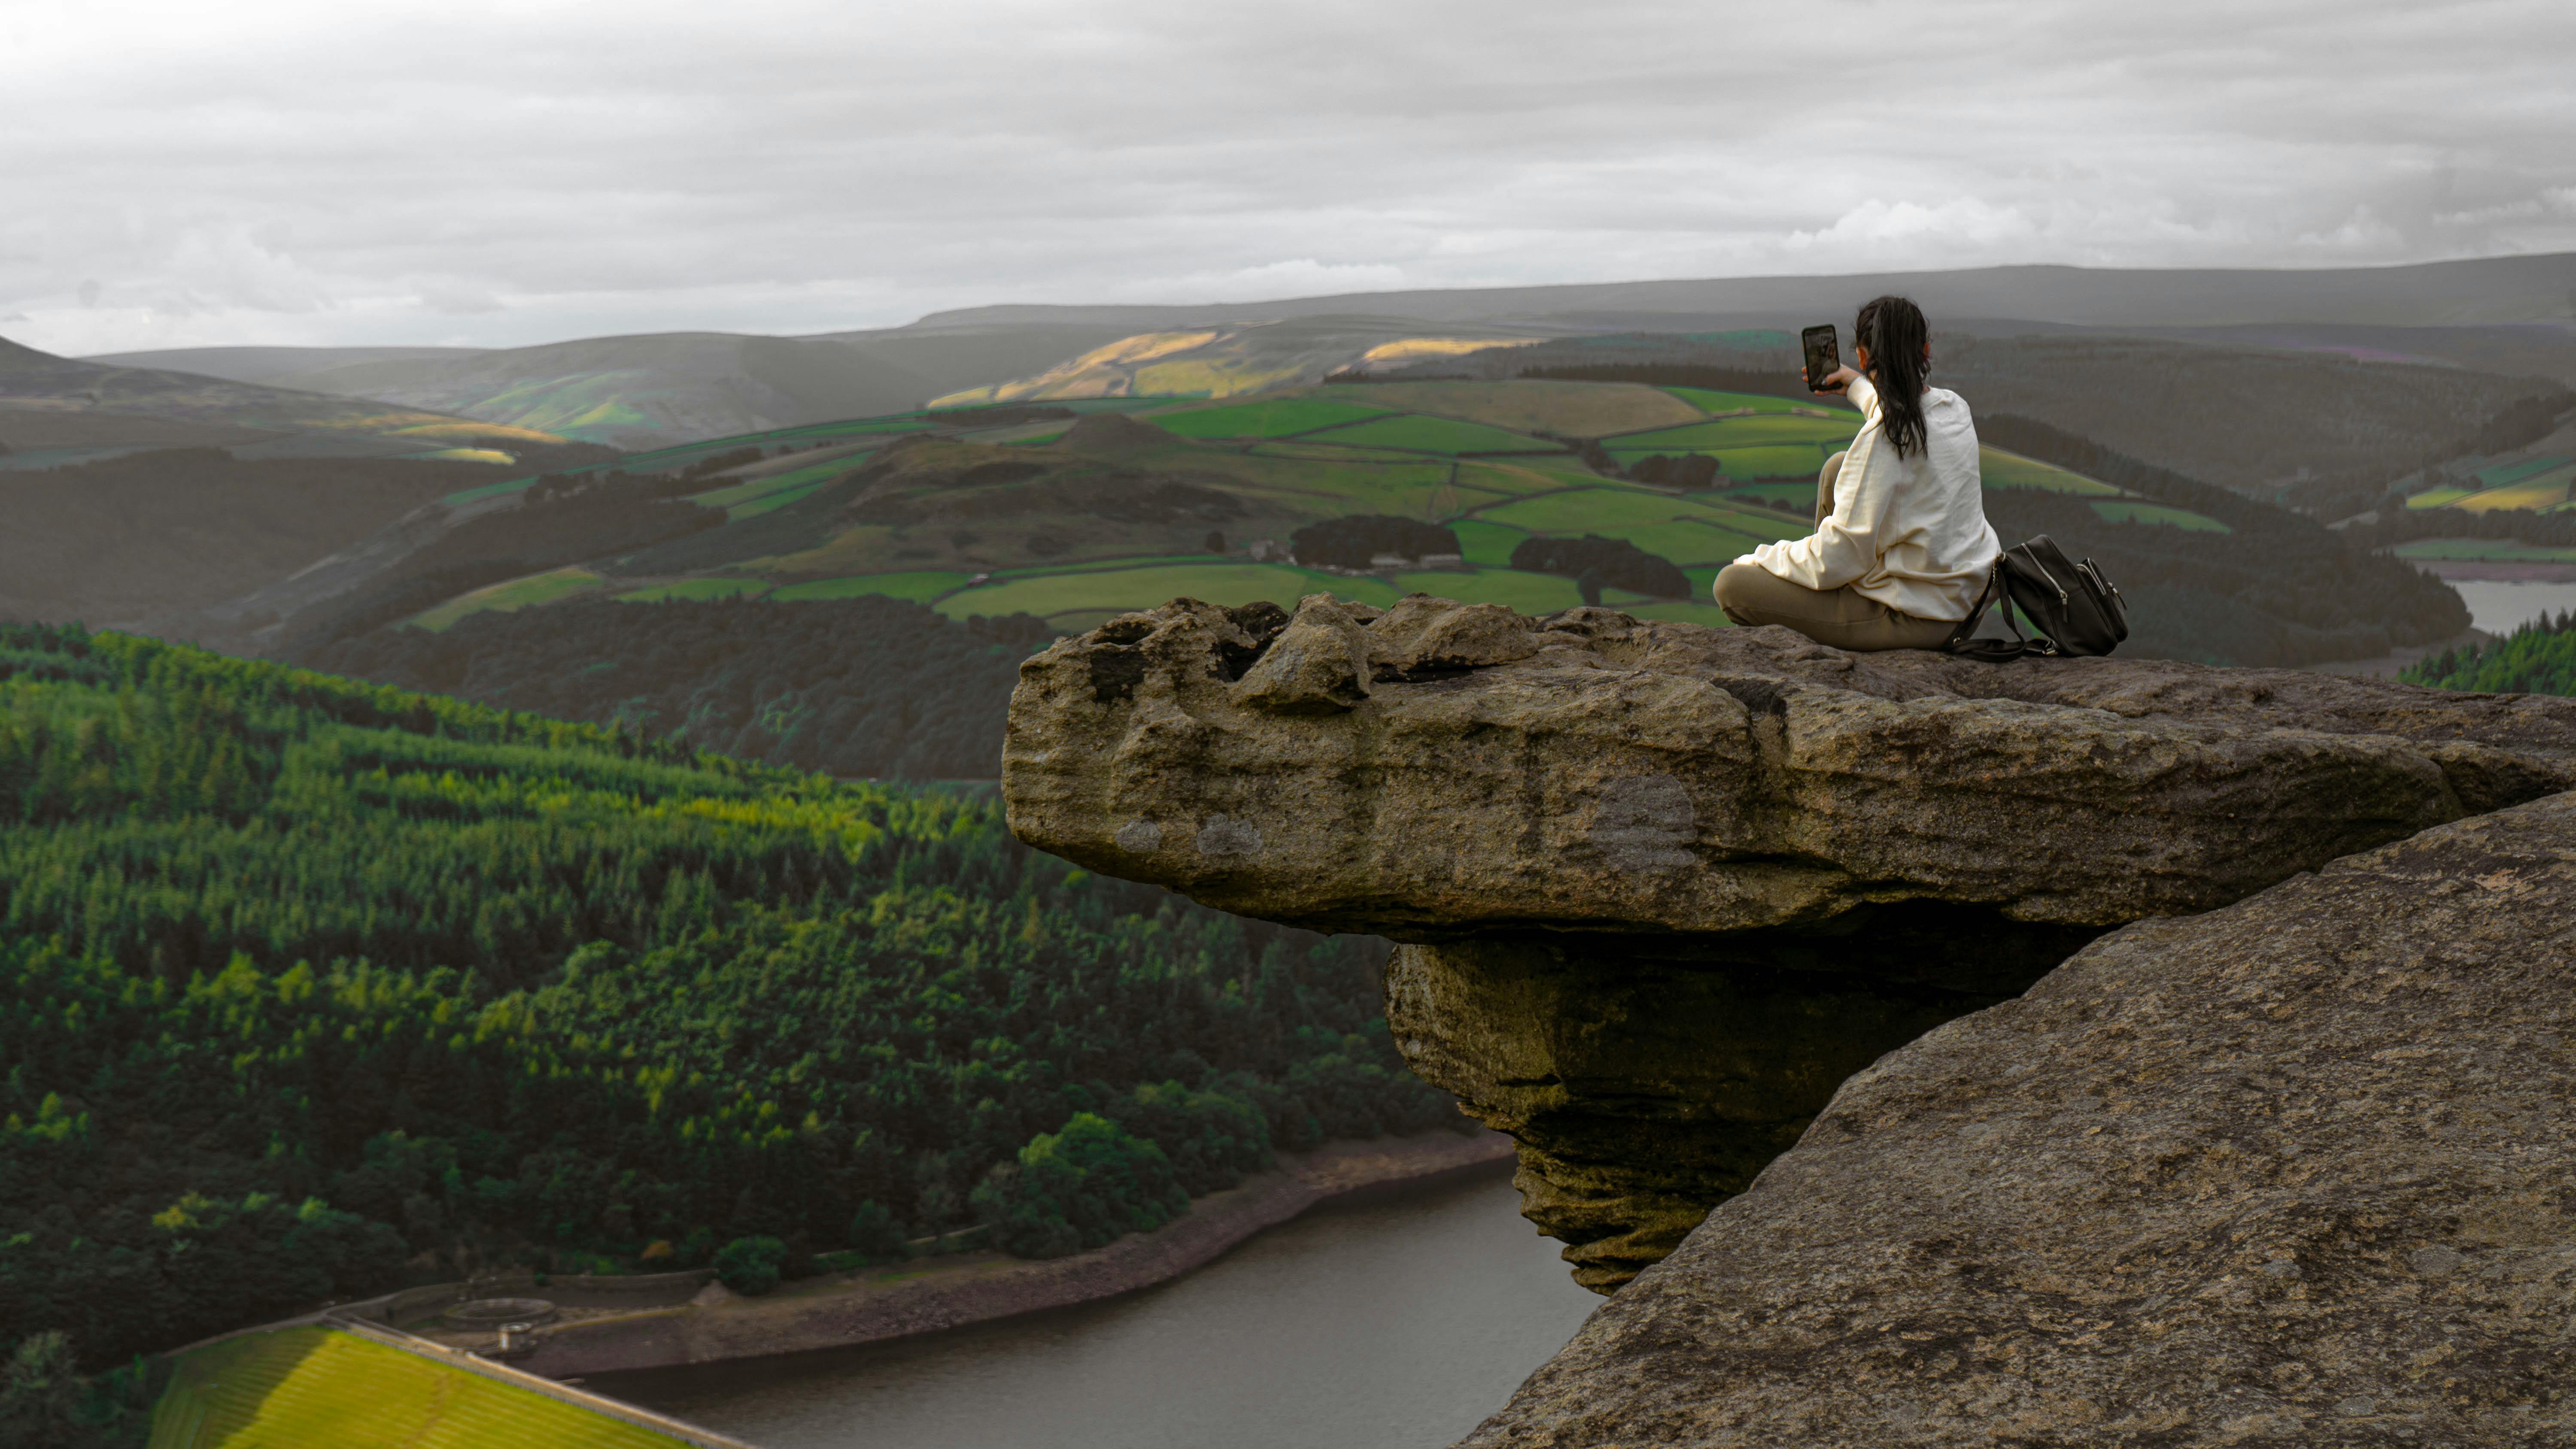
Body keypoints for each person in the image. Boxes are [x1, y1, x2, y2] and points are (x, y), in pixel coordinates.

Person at [1712, 295, 2000, 651]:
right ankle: (1841, 597)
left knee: (1731, 586)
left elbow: (1831, 559)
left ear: (1864, 357)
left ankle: (1840, 604)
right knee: (1838, 467)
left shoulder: (1883, 442)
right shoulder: (1954, 408)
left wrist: (1758, 560)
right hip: (1964, 602)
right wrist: (1857, 385)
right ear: (1925, 352)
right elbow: (1899, 410)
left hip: (1918, 619)